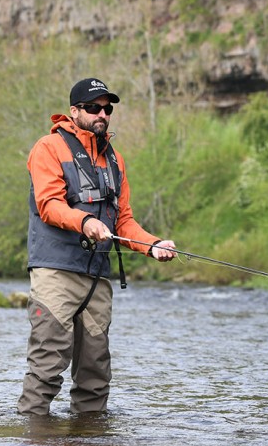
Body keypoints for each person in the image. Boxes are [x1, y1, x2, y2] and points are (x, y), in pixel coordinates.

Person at [18, 77, 177, 416]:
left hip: (97, 279)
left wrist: (153, 245)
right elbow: (49, 204)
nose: (102, 113)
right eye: (93, 107)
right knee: (47, 367)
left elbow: (125, 222)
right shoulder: (48, 148)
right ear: (74, 111)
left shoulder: (115, 161)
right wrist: (86, 222)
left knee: (95, 375)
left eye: (107, 108)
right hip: (55, 273)